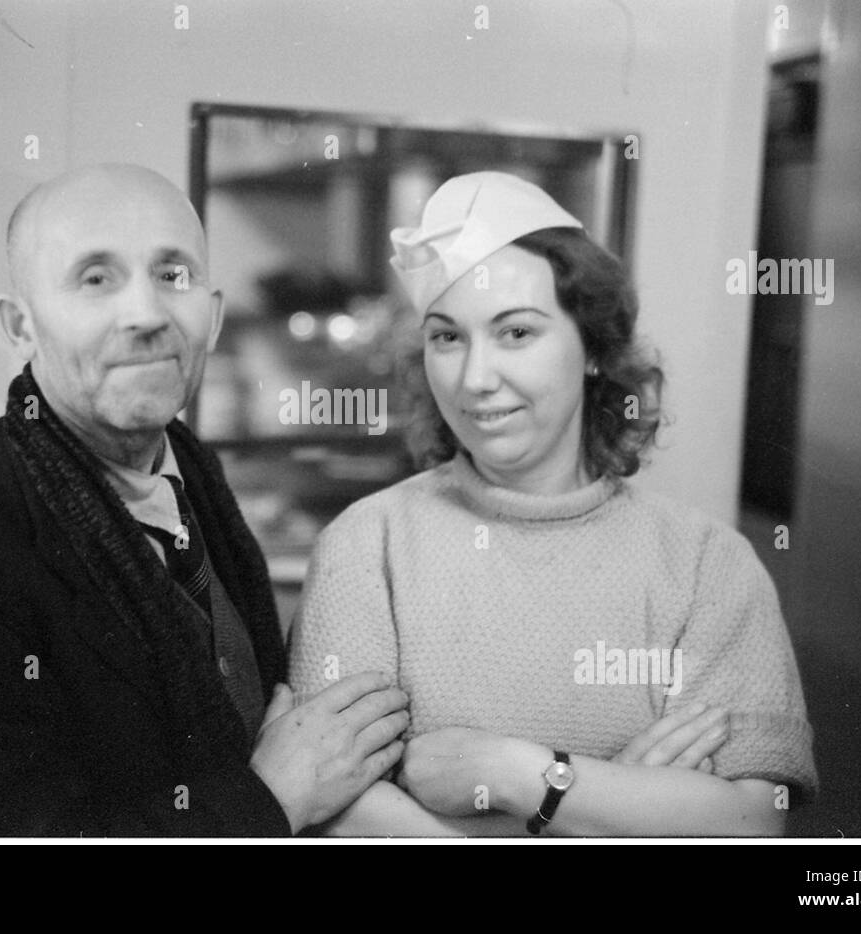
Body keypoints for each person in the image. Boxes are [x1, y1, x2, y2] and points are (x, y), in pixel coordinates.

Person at [0, 164, 409, 836]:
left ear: (214, 316)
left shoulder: (194, 476)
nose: (146, 315)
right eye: (96, 278)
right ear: (20, 325)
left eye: (173, 276)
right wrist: (270, 799)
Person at [287, 171, 818, 836]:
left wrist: (523, 775)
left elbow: (750, 823)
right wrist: (610, 802)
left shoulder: (706, 565)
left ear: (594, 347)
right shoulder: (369, 545)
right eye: (447, 337)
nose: (477, 379)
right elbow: (334, 805)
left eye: (515, 333)